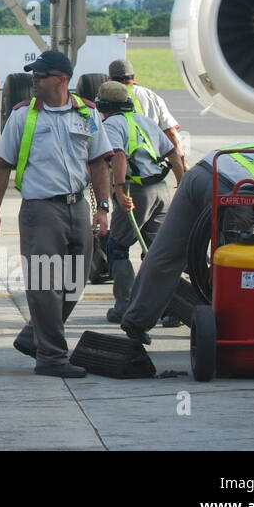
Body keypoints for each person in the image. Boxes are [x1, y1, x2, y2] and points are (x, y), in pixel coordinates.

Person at [120, 145, 254, 345]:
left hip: (200, 173)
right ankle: (232, 330)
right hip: (234, 192)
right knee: (235, 268)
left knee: (165, 253)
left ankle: (135, 320)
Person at [0, 49, 114, 378]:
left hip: (77, 207)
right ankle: (52, 358)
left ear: (61, 79)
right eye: (33, 76)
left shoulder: (87, 114)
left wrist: (102, 208)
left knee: (75, 281)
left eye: (40, 76)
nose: (34, 81)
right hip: (40, 210)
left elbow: (99, 162)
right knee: (44, 284)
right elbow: (2, 166)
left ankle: (35, 335)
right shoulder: (22, 116)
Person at [94, 81, 185, 325]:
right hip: (160, 191)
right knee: (158, 253)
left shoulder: (112, 124)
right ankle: (170, 309)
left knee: (118, 248)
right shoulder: (145, 121)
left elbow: (119, 155)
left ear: (104, 104)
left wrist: (121, 191)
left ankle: (125, 306)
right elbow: (174, 154)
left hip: (137, 191)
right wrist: (183, 187)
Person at [108, 59, 183, 159]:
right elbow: (170, 132)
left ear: (110, 79)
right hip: (152, 163)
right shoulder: (153, 96)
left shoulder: (106, 97)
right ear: (134, 76)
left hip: (120, 162)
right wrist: (183, 164)